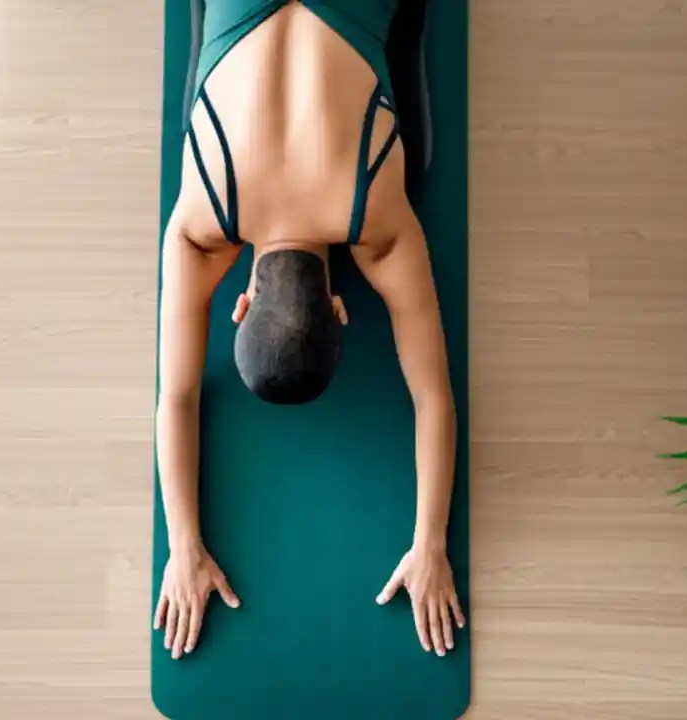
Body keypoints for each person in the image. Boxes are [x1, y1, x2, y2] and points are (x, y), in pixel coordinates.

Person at [154, 0, 464, 660]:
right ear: (238, 306)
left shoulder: (377, 218)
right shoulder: (202, 221)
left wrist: (430, 543)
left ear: (341, 308)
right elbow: (173, 398)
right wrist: (181, 546)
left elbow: (434, 397)